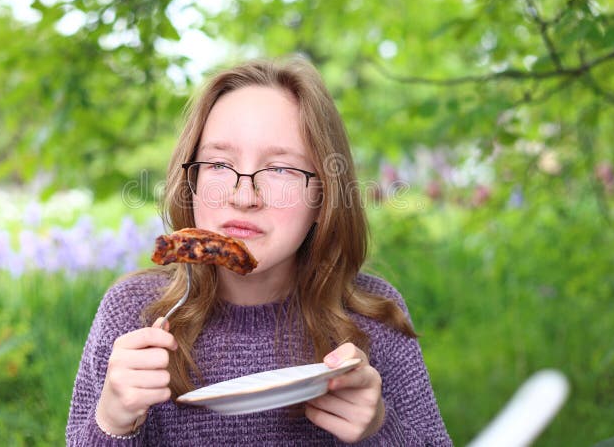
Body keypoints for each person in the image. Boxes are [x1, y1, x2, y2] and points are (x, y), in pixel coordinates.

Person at [66, 58, 453, 446]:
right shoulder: (132, 314)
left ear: (324, 196)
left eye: (280, 169)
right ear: (192, 181)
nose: (243, 196)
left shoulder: (373, 317)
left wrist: (378, 430)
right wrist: (112, 424)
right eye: (219, 163)